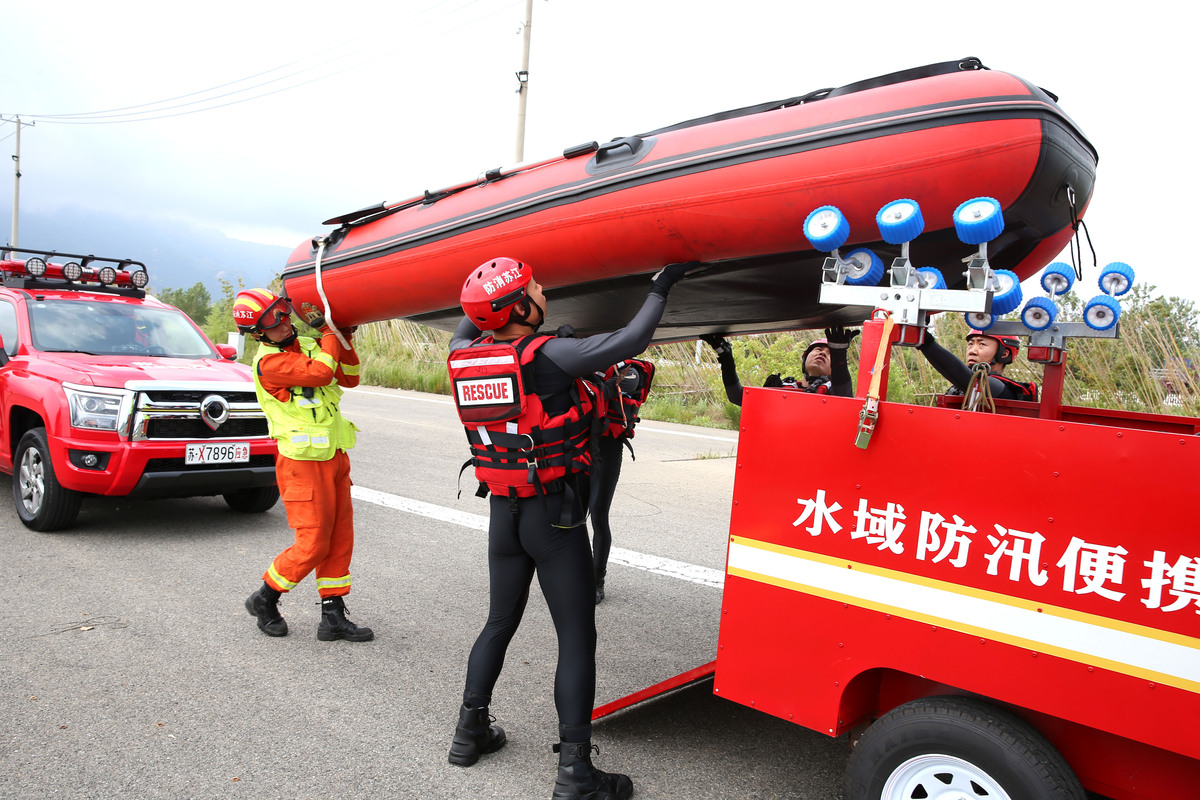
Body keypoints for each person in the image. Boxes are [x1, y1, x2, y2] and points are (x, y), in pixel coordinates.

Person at [445, 256, 692, 800]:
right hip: (553, 519)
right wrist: (661, 285)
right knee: (576, 636)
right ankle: (576, 774)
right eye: (535, 286)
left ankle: (469, 733)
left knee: (499, 621)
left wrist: (496, 284)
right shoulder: (552, 356)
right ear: (519, 307)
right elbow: (630, 341)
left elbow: (472, 317)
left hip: (503, 514)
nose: (544, 288)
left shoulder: (461, 355)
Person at [233, 288, 372, 643]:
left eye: (282, 313)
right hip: (302, 464)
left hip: (335, 456)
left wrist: (344, 337)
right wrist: (329, 333)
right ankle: (265, 599)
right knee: (312, 542)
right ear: (258, 332)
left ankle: (333, 616)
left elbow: (350, 376)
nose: (282, 322)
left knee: (340, 539)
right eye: (271, 320)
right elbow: (323, 374)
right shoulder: (270, 363)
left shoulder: (308, 346)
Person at [588, 357, 654, 605]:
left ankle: (596, 581)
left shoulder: (629, 369)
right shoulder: (581, 356)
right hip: (579, 444)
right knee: (571, 515)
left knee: (598, 515)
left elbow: (622, 388)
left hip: (607, 447)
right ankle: (573, 576)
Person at [701, 325, 859, 405]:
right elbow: (737, 396)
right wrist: (726, 358)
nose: (823, 353)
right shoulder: (782, 388)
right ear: (804, 360)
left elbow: (844, 395)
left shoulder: (835, 393)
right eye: (818, 349)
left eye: (830, 354)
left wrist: (840, 355)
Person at [916, 328, 1037, 403]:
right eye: (970, 343)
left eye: (982, 344)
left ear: (1004, 354)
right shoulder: (958, 387)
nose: (972, 351)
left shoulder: (1003, 390)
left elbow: (969, 380)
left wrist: (926, 342)